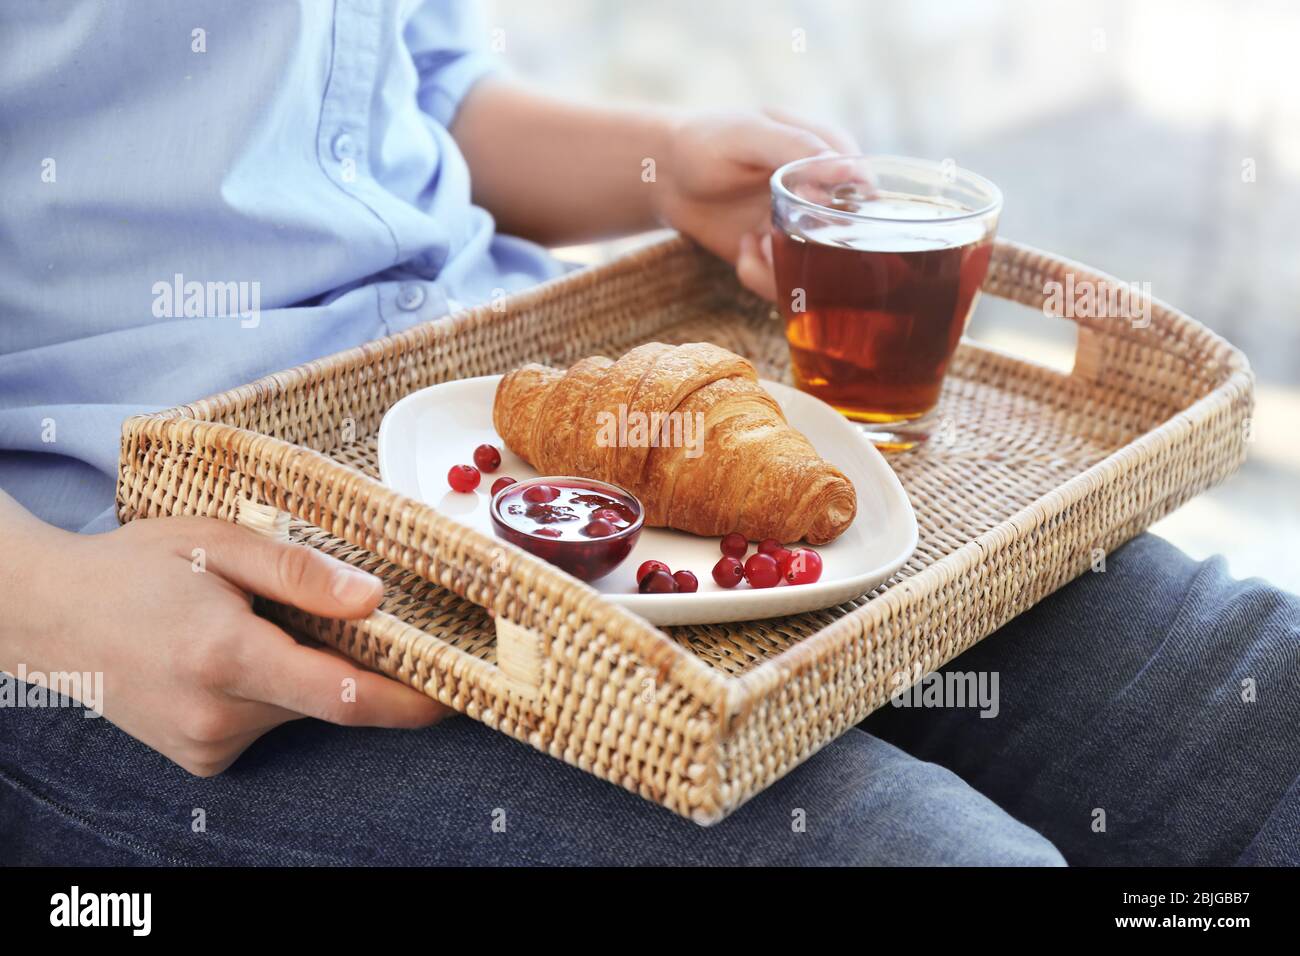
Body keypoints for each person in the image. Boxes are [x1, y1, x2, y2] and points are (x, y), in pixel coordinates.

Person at [1, 1, 1295, 866]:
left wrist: (656, 165)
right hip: (148, 576)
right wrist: (50, 610)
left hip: (503, 420)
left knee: (1258, 707)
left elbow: (400, 89)